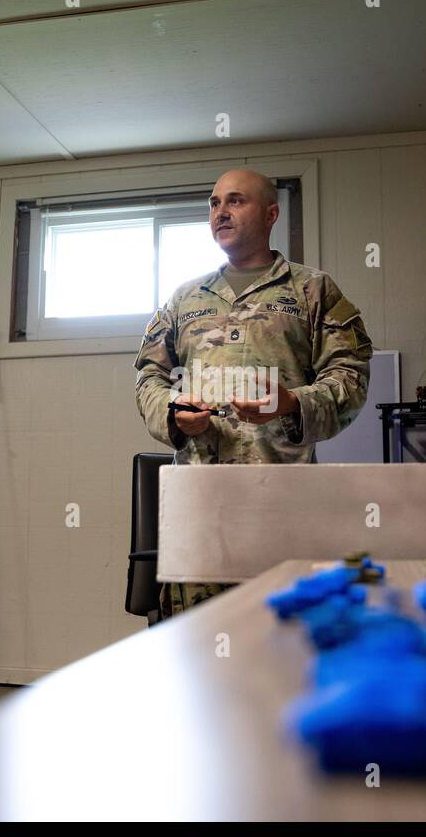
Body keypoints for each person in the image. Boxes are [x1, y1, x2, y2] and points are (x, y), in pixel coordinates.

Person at [134, 169, 374, 617]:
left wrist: (292, 403)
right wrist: (172, 413)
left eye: (235, 201)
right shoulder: (183, 299)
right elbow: (149, 375)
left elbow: (351, 375)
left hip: (282, 505)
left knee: (283, 649)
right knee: (198, 653)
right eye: (213, 202)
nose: (220, 212)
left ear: (271, 214)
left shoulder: (313, 290)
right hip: (200, 508)